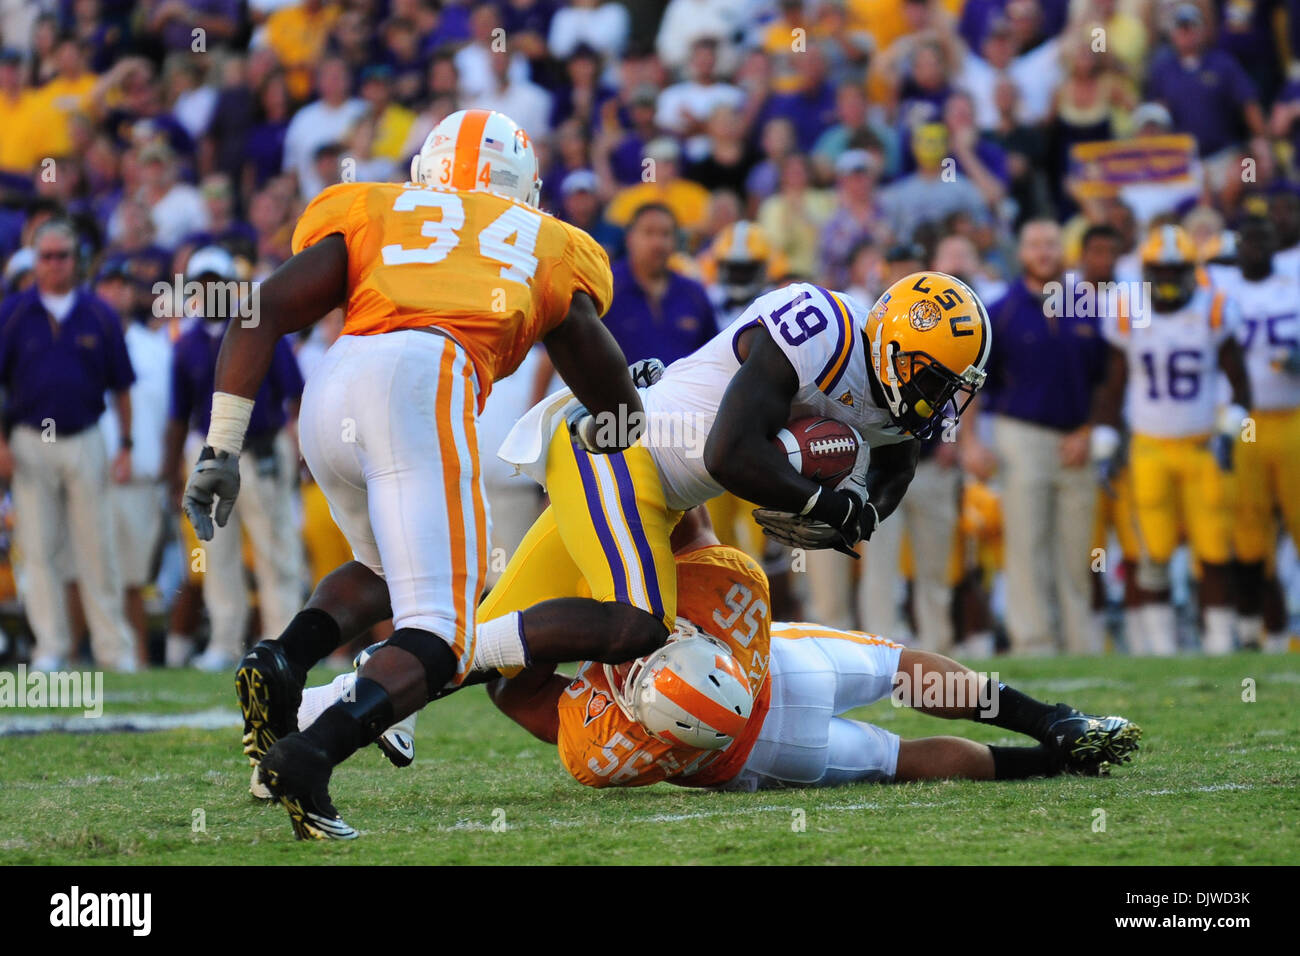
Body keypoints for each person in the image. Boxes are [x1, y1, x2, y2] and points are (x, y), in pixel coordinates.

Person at [186, 109, 647, 839]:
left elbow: (261, 310)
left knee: (378, 567)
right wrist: (622, 418)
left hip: (335, 385)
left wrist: (219, 448)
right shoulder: (552, 242)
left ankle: (282, 658)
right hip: (423, 382)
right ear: (525, 186)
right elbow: (597, 366)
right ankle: (311, 756)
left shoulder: (374, 205)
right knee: (444, 635)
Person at [298, 507, 1142, 791]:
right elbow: (691, 519)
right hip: (786, 679)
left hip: (768, 757)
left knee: (904, 762)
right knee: (901, 668)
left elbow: (511, 690)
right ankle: (1051, 721)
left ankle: (1049, 765)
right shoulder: (732, 613)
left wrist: (552, 622)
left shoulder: (611, 749)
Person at [1090, 225, 1252, 655]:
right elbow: (1114, 384)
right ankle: (1161, 651)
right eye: (1158, 271)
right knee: (1154, 551)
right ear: (1145, 271)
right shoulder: (1128, 312)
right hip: (1149, 448)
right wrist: (1105, 439)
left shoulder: (1214, 309)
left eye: (1174, 271)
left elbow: (1241, 383)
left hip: (1200, 446)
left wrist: (1230, 427)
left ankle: (1220, 644)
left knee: (1215, 548)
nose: (1165, 281)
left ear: (1191, 271)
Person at [965, 219, 1107, 655]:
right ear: (1021, 253)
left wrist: (1089, 430)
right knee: (1026, 546)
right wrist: (968, 440)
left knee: (1077, 548)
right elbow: (973, 379)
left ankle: (1080, 642)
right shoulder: (1000, 309)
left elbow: (1106, 378)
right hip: (1020, 436)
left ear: (1062, 250)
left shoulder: (1086, 305)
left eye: (1050, 243)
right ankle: (1034, 642)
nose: (1043, 252)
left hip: (1076, 440)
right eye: (1034, 244)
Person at [0, 219, 136, 672]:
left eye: (62, 255)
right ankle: (50, 648)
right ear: (35, 261)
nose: (55, 264)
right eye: (46, 256)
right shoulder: (13, 312)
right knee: (38, 549)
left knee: (97, 547)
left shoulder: (99, 313)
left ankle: (112, 649)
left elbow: (122, 387)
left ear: (76, 260)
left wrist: (127, 445)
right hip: (29, 438)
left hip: (85, 437)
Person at [163, 246, 306, 671]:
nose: (209, 293)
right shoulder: (186, 345)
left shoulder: (257, 330)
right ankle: (225, 641)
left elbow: (294, 396)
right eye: (201, 286)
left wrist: (297, 450)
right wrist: (173, 471)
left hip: (260, 449)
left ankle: (284, 643)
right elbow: (178, 414)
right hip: (205, 452)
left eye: (216, 284)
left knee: (275, 549)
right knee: (215, 552)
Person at [1211, 216, 1300, 654]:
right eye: (1250, 240)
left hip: (1293, 417)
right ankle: (1257, 634)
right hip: (1242, 421)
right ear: (1238, 245)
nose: (1257, 248)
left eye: (1265, 239)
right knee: (1247, 531)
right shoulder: (1219, 288)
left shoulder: (1293, 285)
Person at [95, 262, 172, 667]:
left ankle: (135, 656)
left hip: (143, 479)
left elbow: (171, 414)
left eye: (122, 285)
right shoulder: (80, 340)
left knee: (133, 577)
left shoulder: (158, 349)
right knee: (90, 575)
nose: (116, 292)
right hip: (89, 477)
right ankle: (77, 655)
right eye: (107, 285)